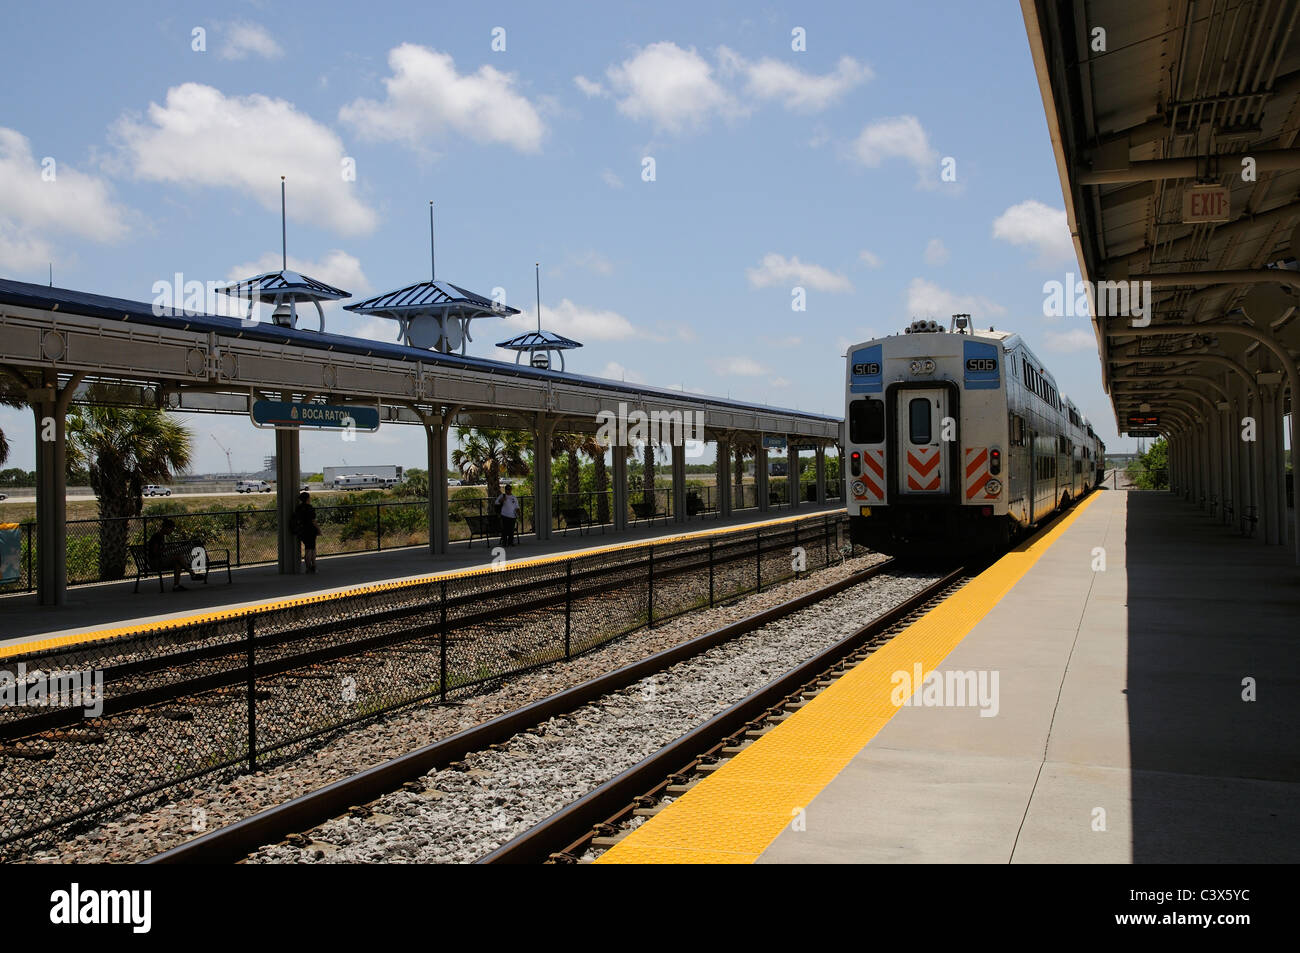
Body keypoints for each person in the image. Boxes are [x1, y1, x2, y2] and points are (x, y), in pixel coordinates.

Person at [146, 518, 193, 591]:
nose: (171, 531)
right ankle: (192, 573)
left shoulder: (161, 536)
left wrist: (168, 549)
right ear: (165, 528)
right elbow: (155, 552)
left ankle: (176, 586)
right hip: (155, 562)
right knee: (178, 556)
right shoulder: (157, 537)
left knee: (177, 563)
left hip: (159, 561)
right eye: (171, 529)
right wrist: (167, 549)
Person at [292, 491, 320, 572]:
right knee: (312, 549)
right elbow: (313, 521)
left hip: (302, 531)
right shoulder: (310, 508)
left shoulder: (298, 508)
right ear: (308, 499)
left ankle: (308, 567)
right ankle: (314, 566)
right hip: (311, 530)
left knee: (307, 549)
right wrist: (319, 529)